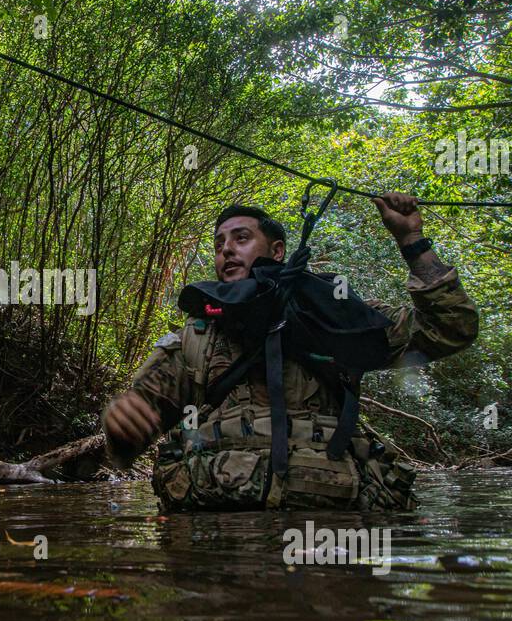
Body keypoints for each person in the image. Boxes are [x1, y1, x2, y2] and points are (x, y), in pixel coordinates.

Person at [101, 192, 479, 511]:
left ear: (278, 250)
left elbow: (448, 330)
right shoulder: (195, 338)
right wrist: (120, 426)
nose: (227, 250)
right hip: (221, 539)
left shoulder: (338, 314)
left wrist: (413, 242)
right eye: (219, 244)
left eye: (241, 238)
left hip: (332, 538)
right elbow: (133, 432)